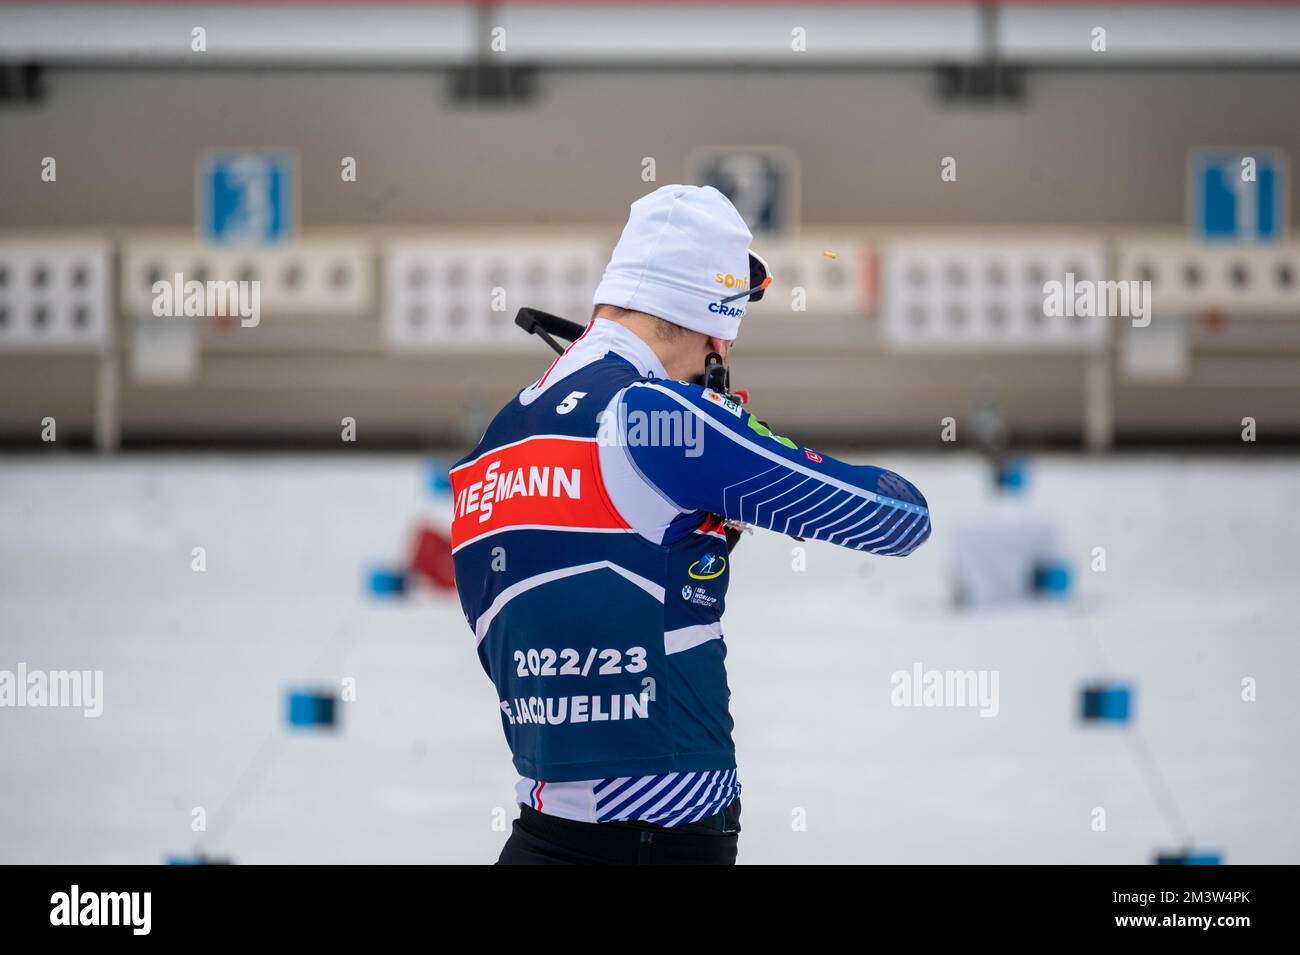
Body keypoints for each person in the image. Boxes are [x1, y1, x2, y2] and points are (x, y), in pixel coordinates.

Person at [450, 184, 931, 864]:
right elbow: (897, 515)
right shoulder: (657, 417)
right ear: (714, 325)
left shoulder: (498, 438)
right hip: (661, 845)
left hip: (537, 836)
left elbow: (567, 595)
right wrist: (742, 443)